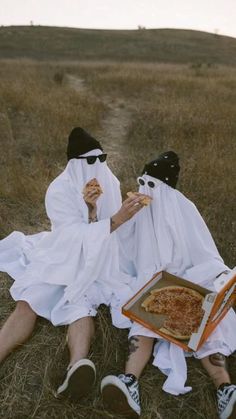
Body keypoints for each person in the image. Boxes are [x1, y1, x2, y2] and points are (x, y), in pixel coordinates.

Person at [0, 127, 145, 400]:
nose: (98, 166)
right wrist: (102, 215)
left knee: (82, 304)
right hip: (64, 256)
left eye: (102, 158)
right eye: (90, 161)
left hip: (100, 259)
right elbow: (69, 237)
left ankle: (76, 366)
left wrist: (105, 214)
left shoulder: (109, 181)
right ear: (75, 163)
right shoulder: (59, 190)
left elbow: (111, 234)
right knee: (29, 301)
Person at [101, 151, 236, 419]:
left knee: (210, 324)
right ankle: (130, 381)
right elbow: (119, 246)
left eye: (152, 185)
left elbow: (206, 255)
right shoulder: (137, 210)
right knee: (144, 322)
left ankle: (226, 389)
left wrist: (203, 282)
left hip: (189, 282)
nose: (145, 190)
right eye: (143, 182)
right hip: (150, 285)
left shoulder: (184, 209)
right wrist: (122, 218)